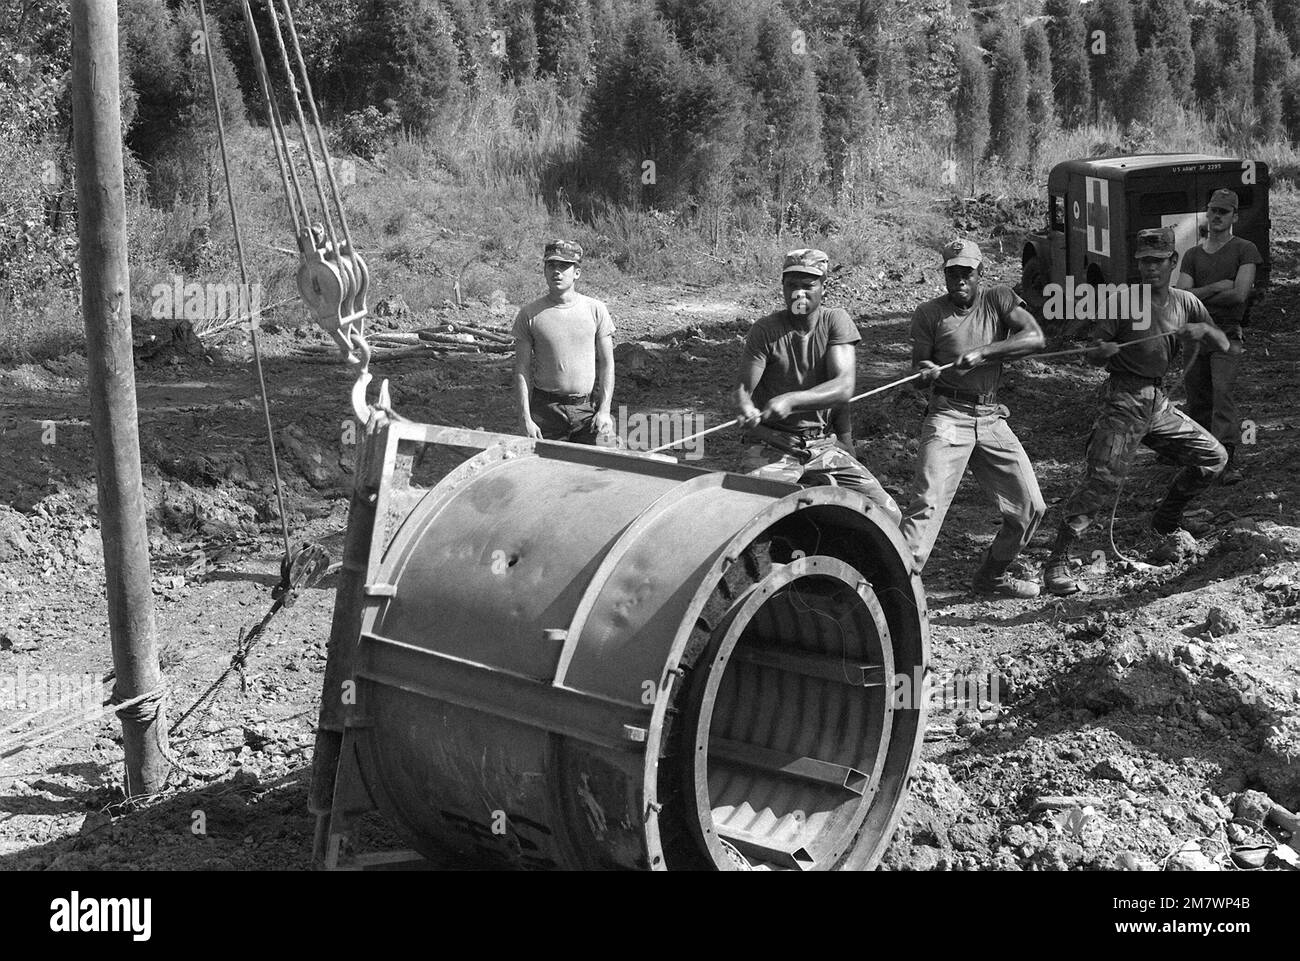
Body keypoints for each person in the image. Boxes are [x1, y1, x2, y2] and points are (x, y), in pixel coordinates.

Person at [1044, 227, 1229, 596]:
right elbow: (1093, 351)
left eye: (1158, 261)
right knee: (1100, 481)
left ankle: (1165, 521)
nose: (1150, 269)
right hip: (1124, 400)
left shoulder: (1185, 302)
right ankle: (1057, 563)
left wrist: (1201, 333)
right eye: (1144, 261)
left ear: (1173, 262)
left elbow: (1223, 342)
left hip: (1159, 404)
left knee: (1213, 458)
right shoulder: (1123, 300)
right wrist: (1102, 351)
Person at [898, 239, 1047, 598]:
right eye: (952, 274)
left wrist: (984, 353)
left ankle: (991, 577)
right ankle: (892, 589)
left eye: (966, 273)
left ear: (981, 273)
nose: (959, 281)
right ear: (945, 275)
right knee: (926, 503)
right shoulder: (929, 313)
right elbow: (918, 368)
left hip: (991, 417)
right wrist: (925, 371)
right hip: (948, 415)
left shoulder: (998, 299)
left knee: (1030, 507)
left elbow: (1035, 337)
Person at [734, 248, 901, 523]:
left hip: (822, 445)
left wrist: (845, 440)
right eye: (792, 286)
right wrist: (749, 414)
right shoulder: (764, 330)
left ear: (824, 286)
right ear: (783, 287)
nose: (799, 294)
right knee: (751, 520)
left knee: (886, 514)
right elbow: (742, 394)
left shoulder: (835, 320)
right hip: (772, 445)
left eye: (808, 285)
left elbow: (842, 387)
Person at [1176, 188, 1262, 486]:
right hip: (1195, 337)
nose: (1216, 216)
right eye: (1212, 210)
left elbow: (1239, 295)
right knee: (1197, 398)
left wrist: (1200, 295)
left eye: (1223, 212)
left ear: (1234, 216)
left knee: (1222, 393)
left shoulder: (1245, 249)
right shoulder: (1193, 254)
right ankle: (1200, 461)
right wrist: (1215, 288)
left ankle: (1225, 461)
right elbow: (1181, 297)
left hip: (1227, 334)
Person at [513, 239, 615, 443]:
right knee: (544, 471)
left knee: (600, 468)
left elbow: (607, 363)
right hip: (545, 411)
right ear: (544, 270)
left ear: (577, 272)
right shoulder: (529, 314)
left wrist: (604, 410)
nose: (556, 271)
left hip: (587, 410)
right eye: (551, 265)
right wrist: (525, 417)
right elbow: (521, 369)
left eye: (563, 266)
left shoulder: (595, 309)